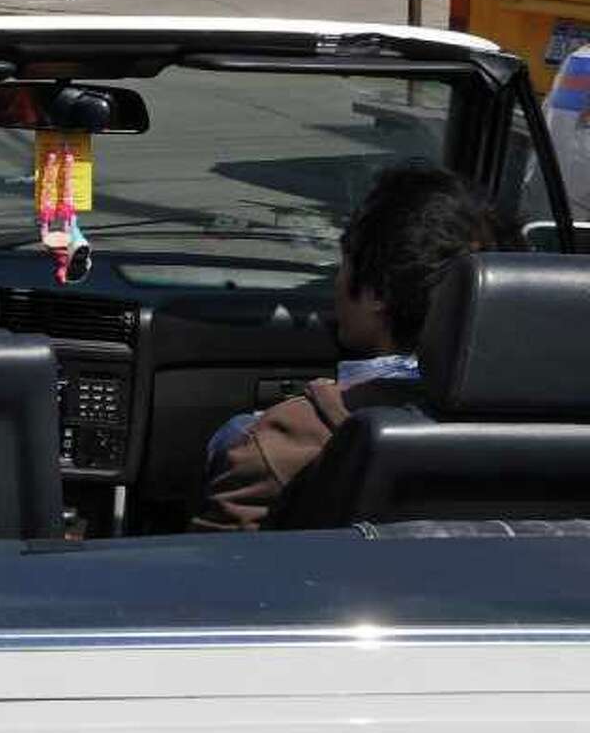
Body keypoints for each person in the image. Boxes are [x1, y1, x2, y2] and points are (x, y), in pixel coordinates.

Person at [192, 165, 500, 532]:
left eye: (344, 264)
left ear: (378, 293)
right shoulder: (544, 432)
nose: (336, 283)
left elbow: (221, 563)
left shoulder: (274, 444)